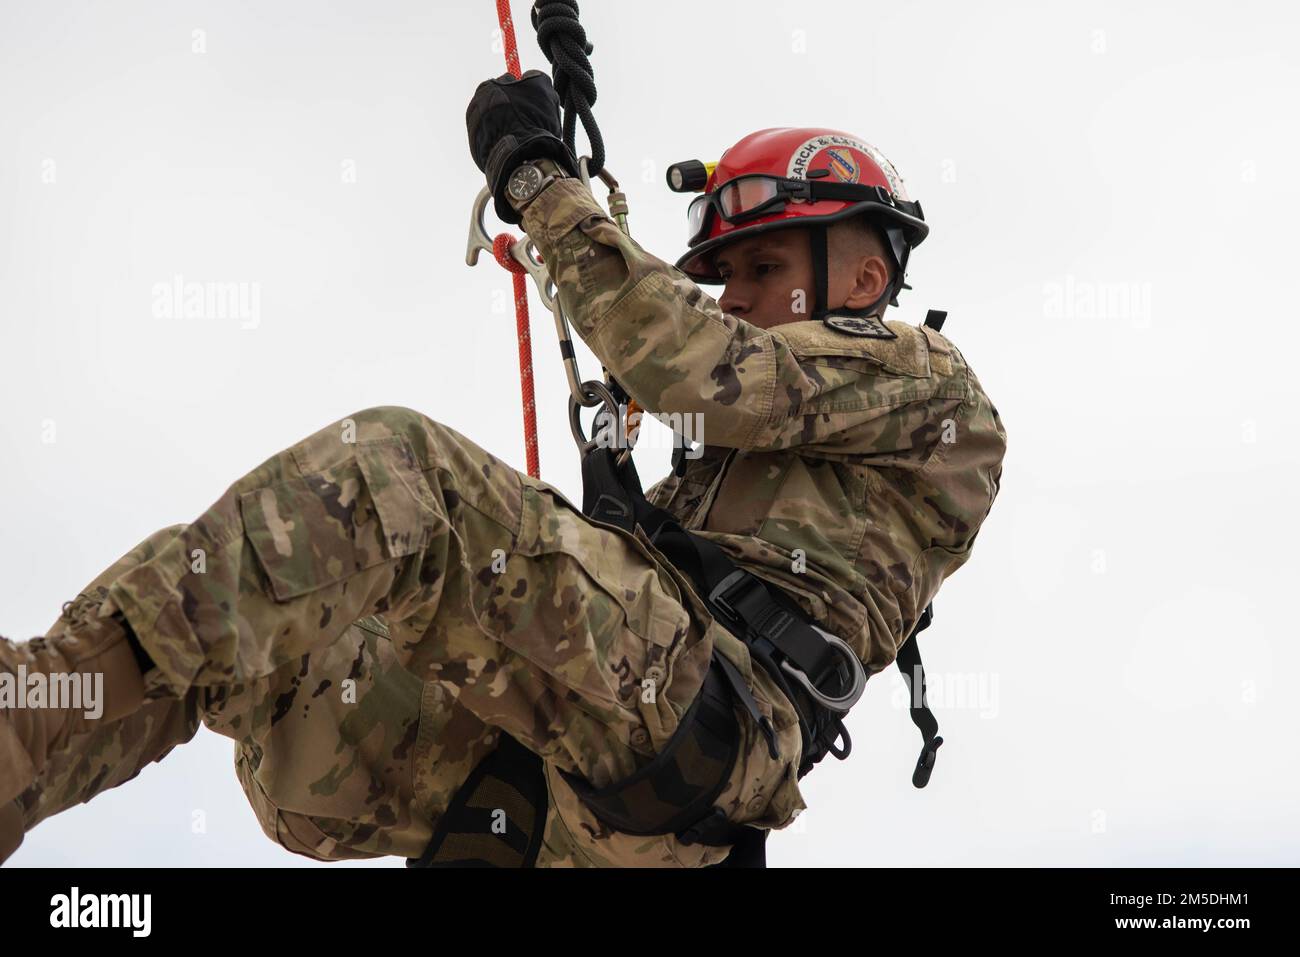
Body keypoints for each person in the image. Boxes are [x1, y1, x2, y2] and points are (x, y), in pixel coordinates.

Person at [0, 72, 1006, 867]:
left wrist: (539, 181)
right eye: (726, 276)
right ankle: (27, 740)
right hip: (580, 781)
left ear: (865, 276)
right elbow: (687, 384)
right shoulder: (741, 455)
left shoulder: (931, 390)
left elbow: (693, 365)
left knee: (396, 473)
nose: (734, 296)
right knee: (262, 621)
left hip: (707, 728)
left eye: (762, 271)